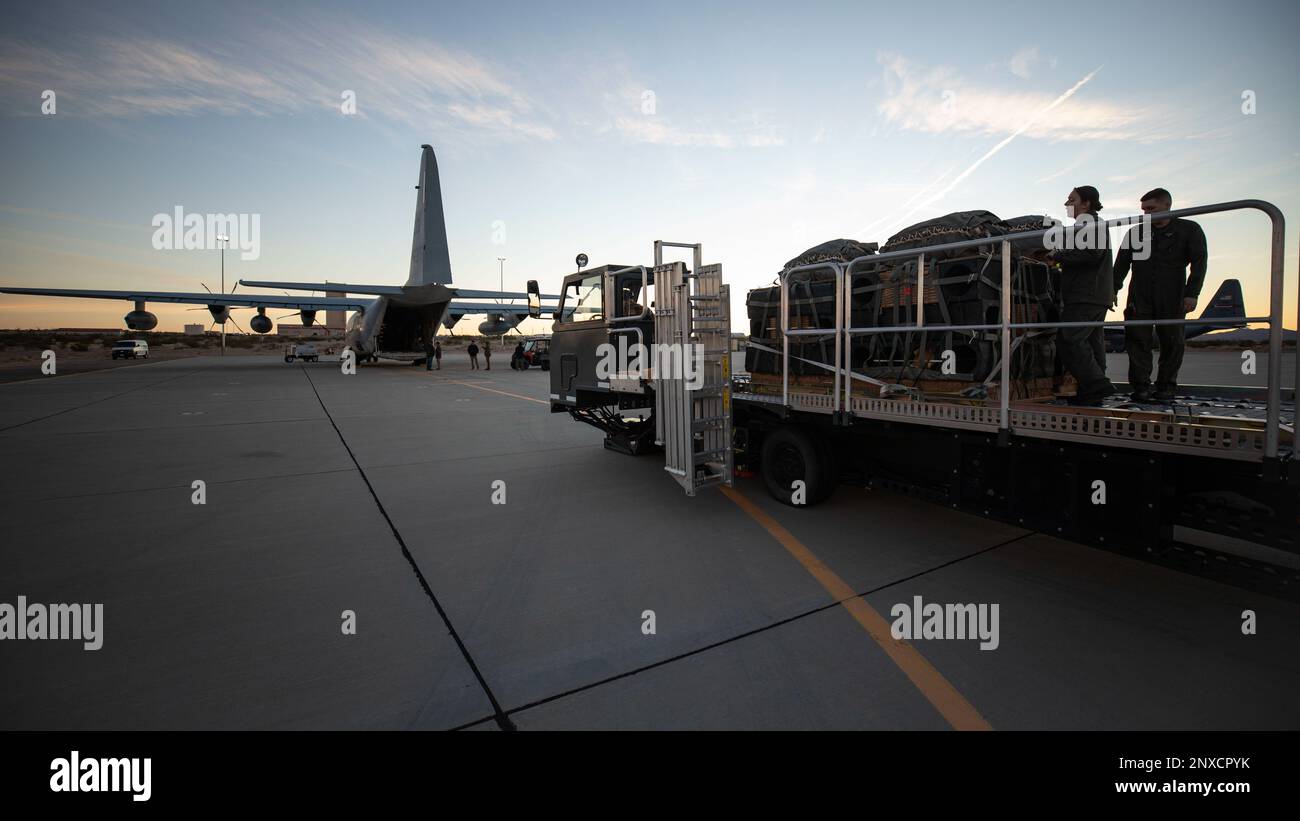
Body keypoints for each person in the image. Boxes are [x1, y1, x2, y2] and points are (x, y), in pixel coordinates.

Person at [1113, 188, 1208, 402]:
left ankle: (1166, 387)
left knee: (1172, 342)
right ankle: (1141, 388)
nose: (1147, 214)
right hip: (1140, 295)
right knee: (1137, 342)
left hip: (1173, 295)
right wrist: (1112, 290)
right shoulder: (1137, 233)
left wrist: (1192, 294)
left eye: (1151, 208)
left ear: (1167, 205)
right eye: (1144, 210)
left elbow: (1199, 264)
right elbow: (1120, 266)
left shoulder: (1189, 230)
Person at [1049, 186, 1117, 406]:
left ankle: (1096, 383)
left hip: (1086, 293)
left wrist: (1057, 257)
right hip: (1094, 293)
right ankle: (1094, 388)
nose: (1067, 204)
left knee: (1069, 338)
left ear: (1086, 203)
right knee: (1090, 341)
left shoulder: (1091, 224)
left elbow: (1090, 254)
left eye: (1072, 199)